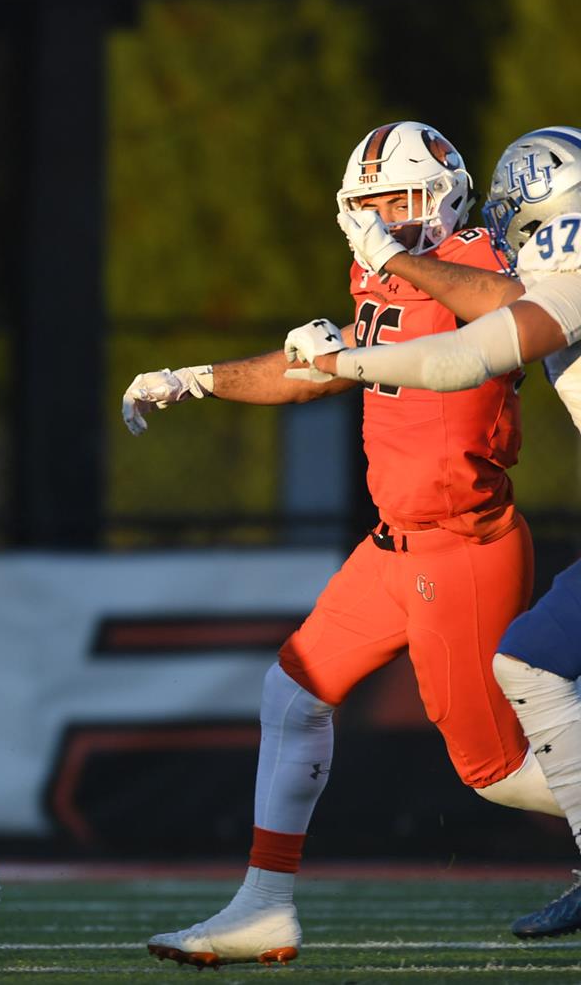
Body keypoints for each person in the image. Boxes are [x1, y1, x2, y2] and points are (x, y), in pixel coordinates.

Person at [124, 121, 559, 967]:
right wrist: (197, 378)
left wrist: (397, 258)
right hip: (392, 547)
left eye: (398, 200)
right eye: (369, 205)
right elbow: (323, 367)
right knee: (293, 692)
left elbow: (510, 314)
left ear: (442, 196)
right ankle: (264, 905)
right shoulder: (379, 265)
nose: (384, 218)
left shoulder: (483, 253)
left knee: (495, 771)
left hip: (461, 546)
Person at [291, 125, 581, 939]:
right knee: (530, 666)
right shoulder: (536, 269)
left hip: (465, 536)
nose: (511, 237)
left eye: (521, 220)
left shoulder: (557, 280)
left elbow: (461, 360)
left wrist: (341, 362)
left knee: (521, 684)